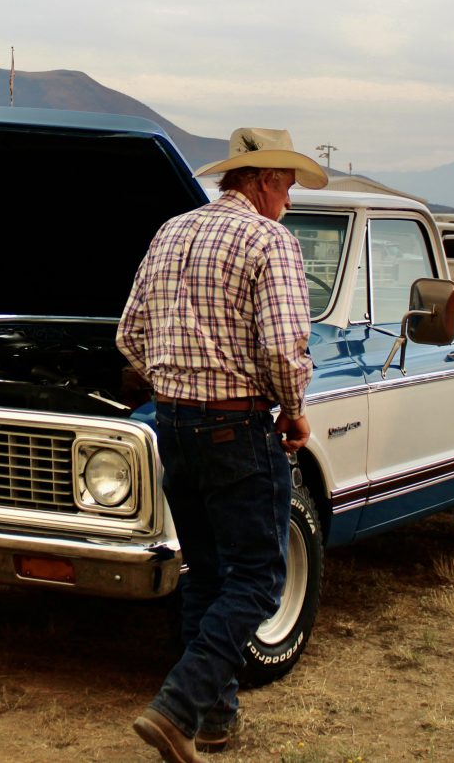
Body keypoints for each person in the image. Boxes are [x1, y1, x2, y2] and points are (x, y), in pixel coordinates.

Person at [116, 128, 327, 762]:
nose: (289, 197)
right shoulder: (270, 240)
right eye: (286, 184)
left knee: (206, 572)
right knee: (260, 579)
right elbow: (284, 349)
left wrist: (176, 384)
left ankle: (216, 720)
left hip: (174, 423)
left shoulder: (171, 231)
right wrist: (294, 412)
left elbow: (129, 336)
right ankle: (179, 707)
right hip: (238, 424)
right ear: (262, 181)